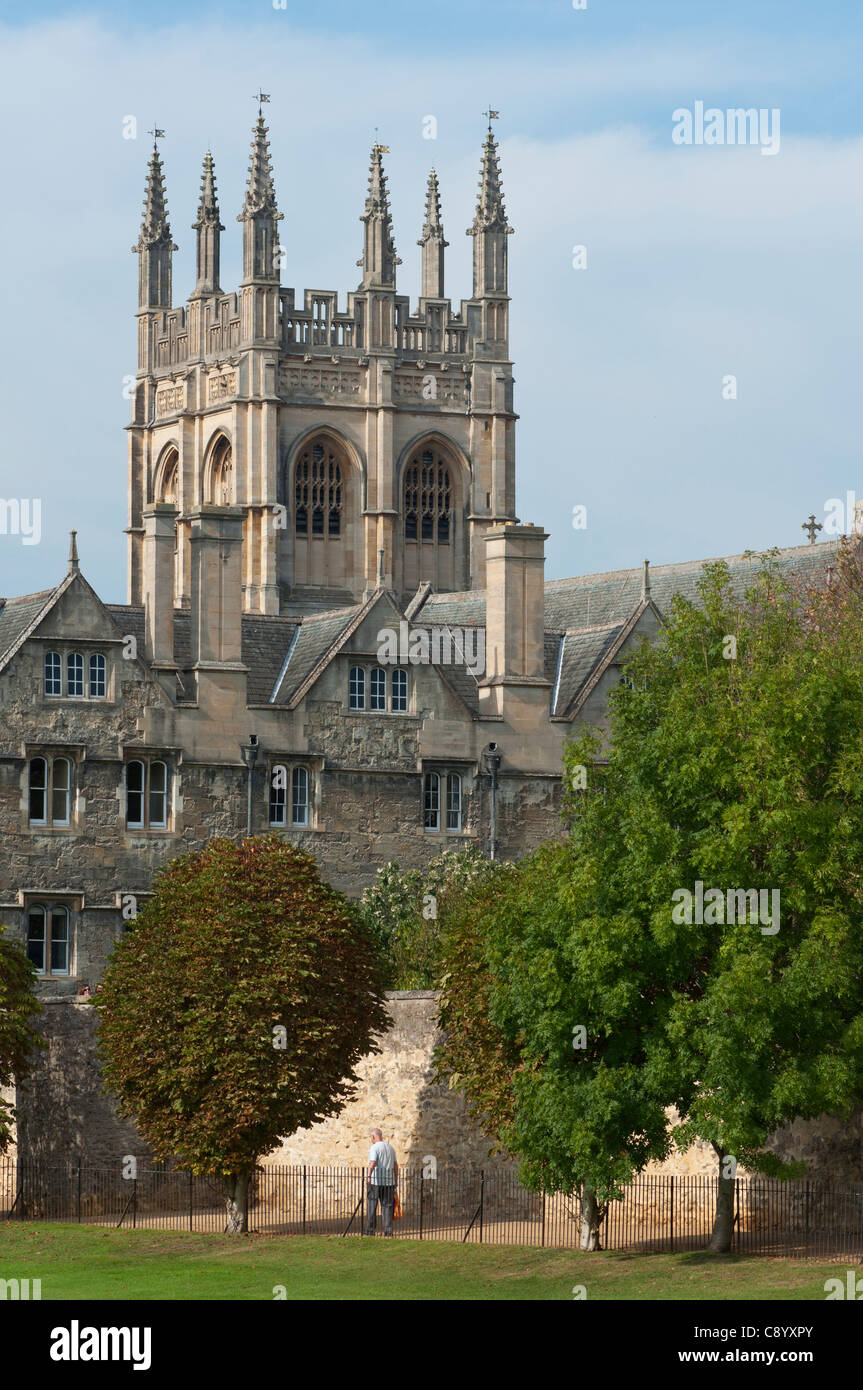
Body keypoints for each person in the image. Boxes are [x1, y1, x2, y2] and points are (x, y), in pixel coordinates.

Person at [365, 1128, 398, 1236]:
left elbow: (373, 1162)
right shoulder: (390, 1148)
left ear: (373, 1137)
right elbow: (395, 1166)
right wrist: (395, 1180)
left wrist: (368, 1176)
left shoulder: (374, 1147)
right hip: (389, 1182)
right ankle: (388, 1231)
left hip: (376, 1181)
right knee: (387, 1207)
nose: (371, 1139)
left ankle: (370, 1231)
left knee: (371, 1206)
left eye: (371, 1137)